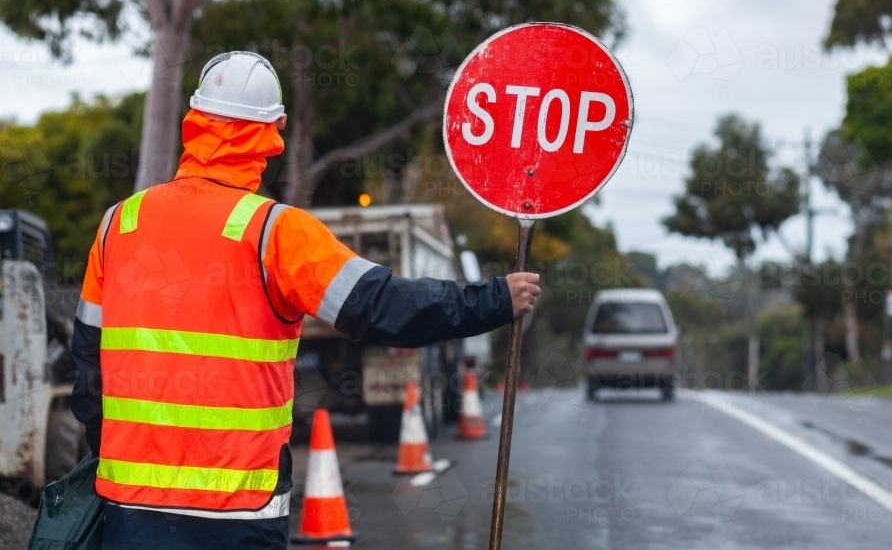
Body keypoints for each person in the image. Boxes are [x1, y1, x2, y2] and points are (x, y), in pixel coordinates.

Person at [69, 51, 541, 550]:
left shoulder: (119, 224)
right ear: (274, 133)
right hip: (238, 512)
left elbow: (88, 372)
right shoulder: (275, 231)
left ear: (194, 121)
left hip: (132, 511)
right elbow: (381, 306)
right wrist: (493, 300)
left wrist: (118, 456)